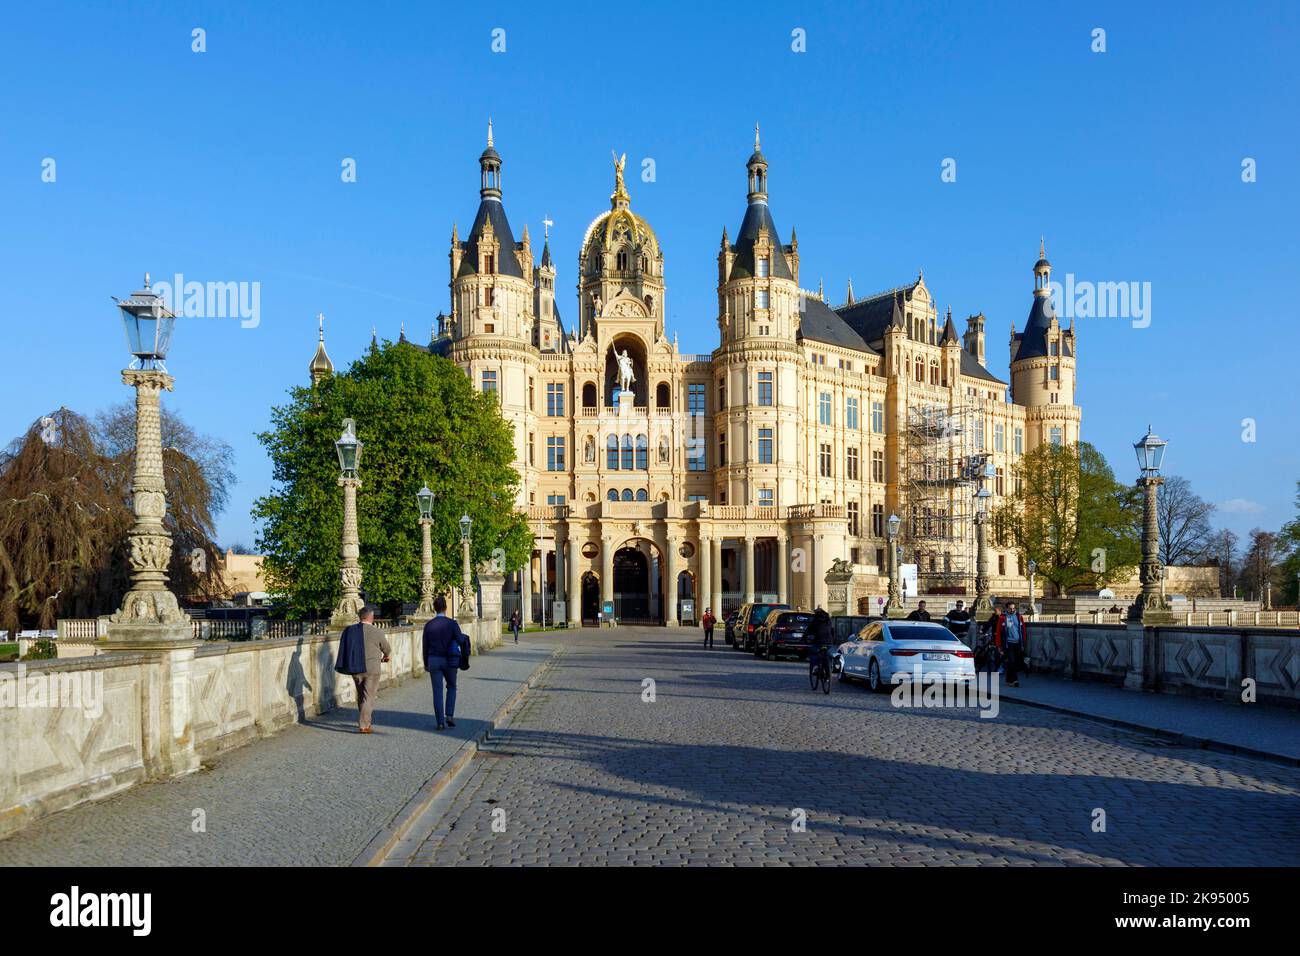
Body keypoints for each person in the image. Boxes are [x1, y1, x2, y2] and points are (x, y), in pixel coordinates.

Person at [335, 605, 391, 734]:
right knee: (368, 697)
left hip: (355, 667)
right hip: (371, 669)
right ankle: (364, 724)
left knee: (361, 695)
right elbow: (386, 649)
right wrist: (386, 656)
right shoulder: (377, 632)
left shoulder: (349, 630)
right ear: (371, 617)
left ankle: (366, 721)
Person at [422, 595, 465, 730]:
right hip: (450, 659)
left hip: (434, 659)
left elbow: (425, 646)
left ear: (434, 609)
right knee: (451, 686)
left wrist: (426, 663)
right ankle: (450, 715)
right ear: (445, 608)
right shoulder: (452, 623)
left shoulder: (429, 625)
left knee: (437, 691)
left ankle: (440, 722)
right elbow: (460, 640)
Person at [993, 601, 1030, 687]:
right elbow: (998, 632)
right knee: (1011, 661)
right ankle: (1015, 680)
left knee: (1014, 663)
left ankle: (1008, 680)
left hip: (1018, 643)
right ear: (1006, 609)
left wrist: (1023, 642)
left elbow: (1023, 630)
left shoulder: (1019, 617)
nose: (1012, 610)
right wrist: (999, 646)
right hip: (1008, 644)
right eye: (1010, 608)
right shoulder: (1002, 618)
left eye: (1014, 608)